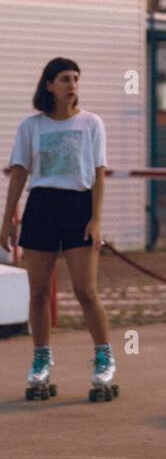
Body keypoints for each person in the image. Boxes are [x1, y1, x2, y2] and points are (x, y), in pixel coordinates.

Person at [1, 58, 117, 402]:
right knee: (37, 292)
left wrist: (96, 219)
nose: (72, 85)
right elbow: (19, 173)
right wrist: (7, 219)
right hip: (42, 207)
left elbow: (98, 173)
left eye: (76, 79)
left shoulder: (91, 123)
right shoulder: (32, 126)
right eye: (65, 79)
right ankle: (41, 359)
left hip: (78, 206)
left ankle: (104, 357)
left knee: (86, 291)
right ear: (49, 85)